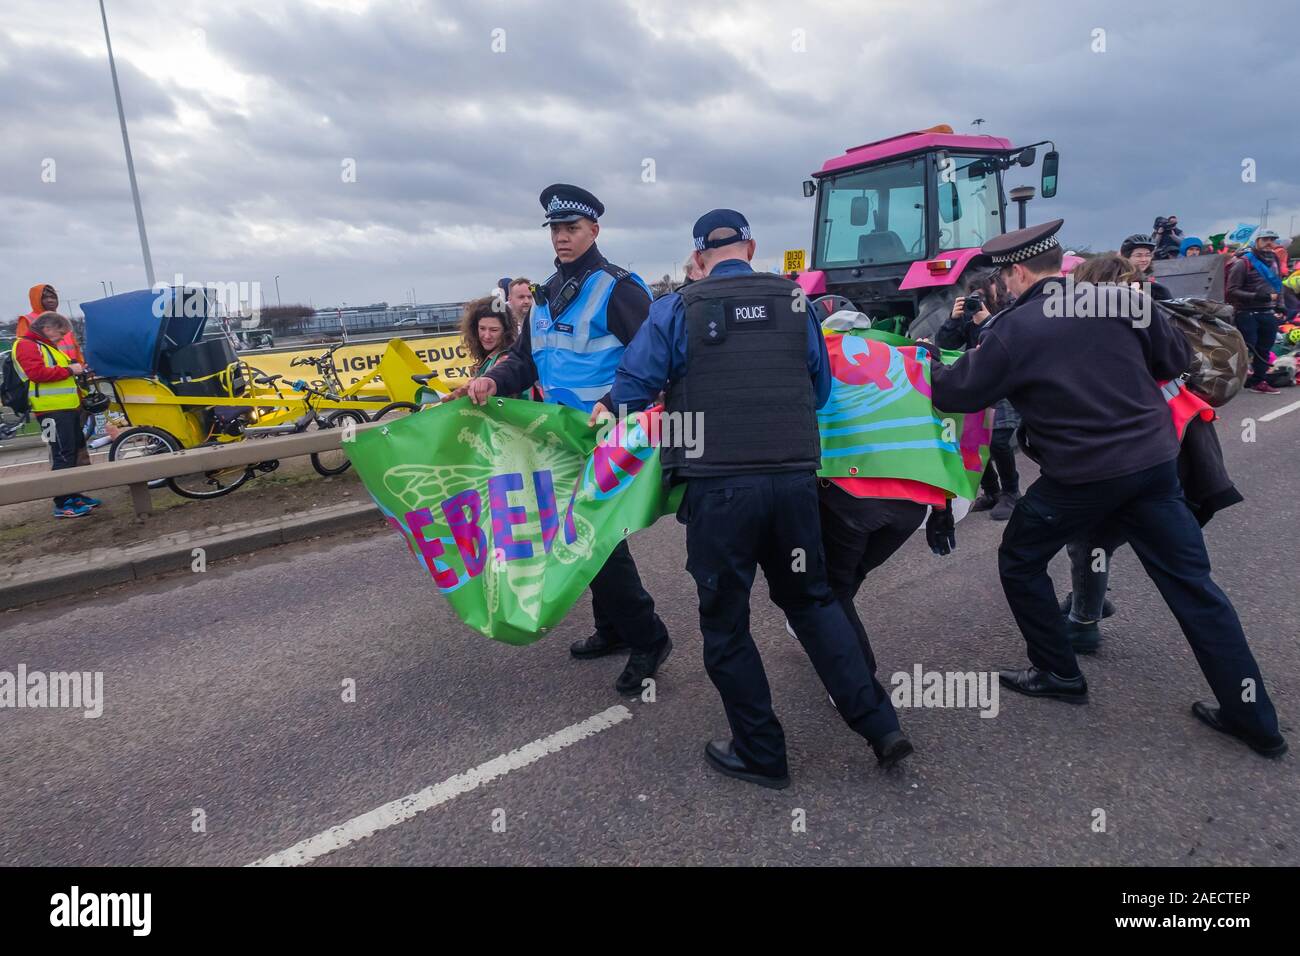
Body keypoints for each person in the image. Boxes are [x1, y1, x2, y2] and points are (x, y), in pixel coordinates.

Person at [928, 220, 1285, 758]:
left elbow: (956, 393)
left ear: (1019, 272)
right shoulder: (1122, 303)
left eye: (1004, 278)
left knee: (1020, 559)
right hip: (1155, 462)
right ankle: (1254, 719)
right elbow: (1171, 362)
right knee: (1195, 587)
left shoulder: (1013, 328)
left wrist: (924, 362)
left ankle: (1058, 671)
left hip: (1081, 477)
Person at [611, 209, 913, 789]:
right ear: (750, 248)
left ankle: (762, 752)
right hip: (794, 482)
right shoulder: (797, 304)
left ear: (698, 258)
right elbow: (820, 388)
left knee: (726, 624)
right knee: (813, 602)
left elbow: (631, 392)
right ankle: (880, 727)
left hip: (720, 490)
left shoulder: (677, 307)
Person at [467, 184, 671, 696]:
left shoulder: (619, 289)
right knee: (586, 533)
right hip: (561, 437)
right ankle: (616, 628)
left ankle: (649, 636)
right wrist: (496, 380)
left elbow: (653, 361)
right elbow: (527, 360)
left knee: (590, 534)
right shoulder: (543, 293)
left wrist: (617, 406)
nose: (562, 237)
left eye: (572, 228)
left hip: (611, 433)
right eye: (555, 229)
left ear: (594, 231)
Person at [936, 269, 1020, 519]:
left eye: (984, 292)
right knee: (972, 438)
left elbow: (1011, 340)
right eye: (975, 294)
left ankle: (1011, 493)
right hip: (979, 378)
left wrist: (986, 320)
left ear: (997, 288)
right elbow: (946, 344)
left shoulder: (1010, 309)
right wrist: (954, 319)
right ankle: (992, 491)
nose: (979, 298)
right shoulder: (968, 314)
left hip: (1005, 378)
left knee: (999, 439)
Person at [10, 311, 101, 518]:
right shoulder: (26, 345)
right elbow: (37, 373)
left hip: (66, 408)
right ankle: (62, 502)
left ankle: (73, 494)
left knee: (73, 451)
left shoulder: (45, 346)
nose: (62, 338)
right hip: (50, 411)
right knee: (62, 454)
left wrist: (76, 371)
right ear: (47, 328)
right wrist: (71, 371)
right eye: (60, 334)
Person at [1226, 228, 1286, 395]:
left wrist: (1281, 305)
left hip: (1268, 312)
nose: (1269, 243)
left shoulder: (1274, 259)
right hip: (1247, 313)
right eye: (1265, 239)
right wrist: (1257, 297)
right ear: (1257, 241)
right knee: (1246, 348)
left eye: (1272, 239)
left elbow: (1278, 285)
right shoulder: (1243, 262)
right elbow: (1231, 291)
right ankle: (1232, 380)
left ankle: (1258, 381)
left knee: (1264, 349)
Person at [16, 284, 83, 363]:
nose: (50, 300)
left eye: (53, 297)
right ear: (35, 300)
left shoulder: (61, 320)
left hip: (71, 368)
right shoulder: (27, 320)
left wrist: (82, 364)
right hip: (49, 371)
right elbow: (24, 351)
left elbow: (75, 346)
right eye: (44, 298)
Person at [1120, 233, 1172, 301]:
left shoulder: (1156, 289)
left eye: (1147, 255)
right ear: (1126, 258)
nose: (1144, 260)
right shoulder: (1114, 283)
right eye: (1138, 255)